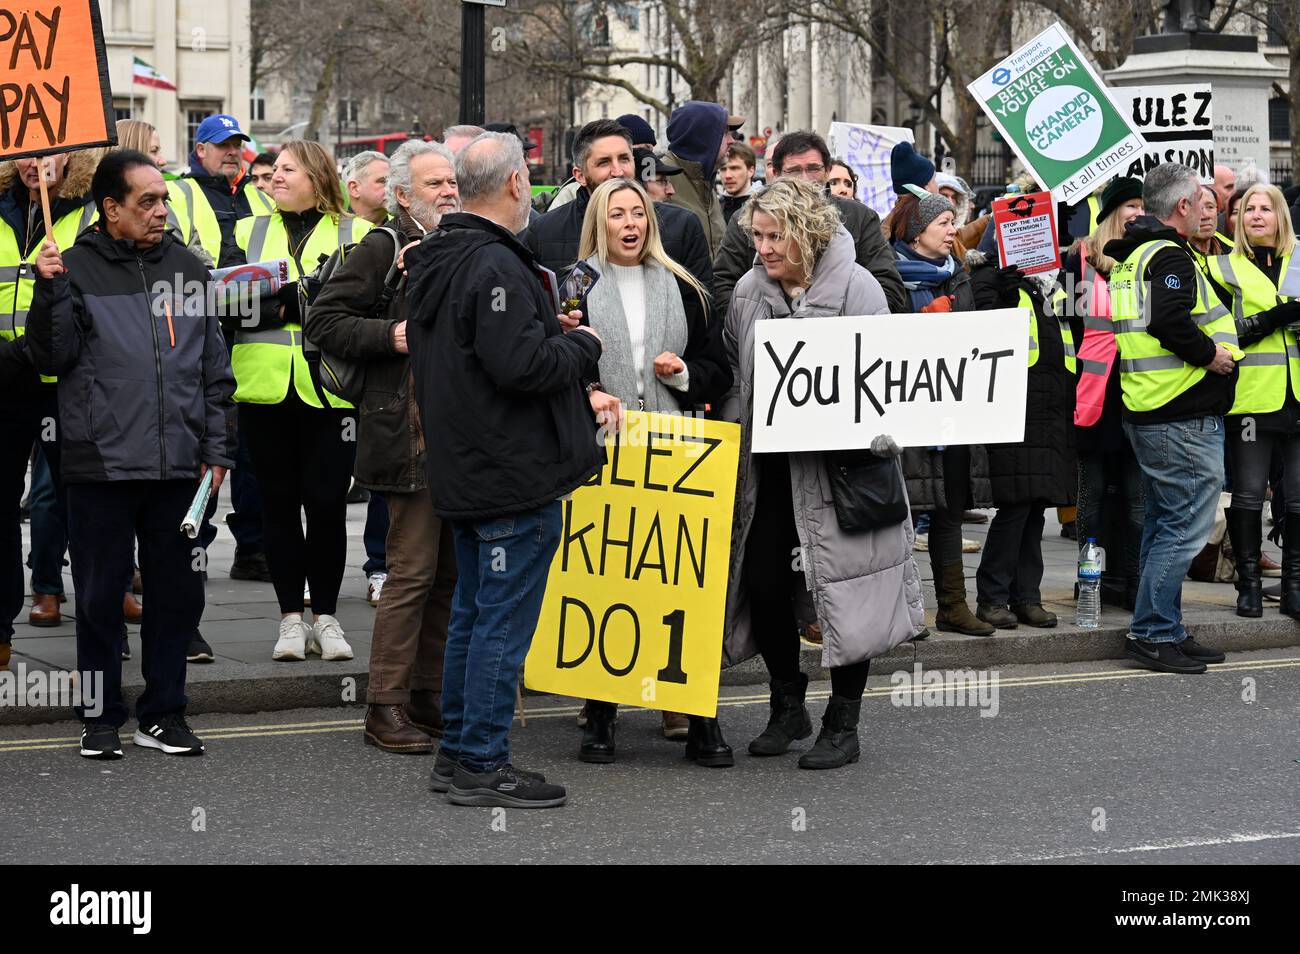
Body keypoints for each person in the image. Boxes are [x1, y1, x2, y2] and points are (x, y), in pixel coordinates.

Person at [405, 131, 603, 808]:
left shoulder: (444, 256)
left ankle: (460, 754)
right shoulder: (493, 265)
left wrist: (544, 327)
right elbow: (521, 368)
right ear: (518, 183)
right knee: (499, 623)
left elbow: (484, 356)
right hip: (509, 474)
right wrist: (579, 346)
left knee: (472, 615)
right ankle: (483, 763)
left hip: (469, 470)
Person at [25, 149, 235, 758]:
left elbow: (213, 370)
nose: (161, 211)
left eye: (163, 199)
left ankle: (164, 714)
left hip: (181, 465)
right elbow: (51, 359)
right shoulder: (74, 266)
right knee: (96, 597)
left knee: (177, 596)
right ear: (110, 208)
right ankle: (99, 717)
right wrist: (50, 290)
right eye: (147, 202)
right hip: (101, 462)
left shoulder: (189, 269)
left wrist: (218, 449)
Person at [721, 177, 924, 770]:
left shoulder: (858, 287)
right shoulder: (748, 291)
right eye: (757, 235)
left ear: (806, 233)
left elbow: (884, 379)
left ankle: (844, 719)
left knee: (846, 587)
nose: (763, 247)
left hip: (844, 472)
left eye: (774, 235)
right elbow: (741, 374)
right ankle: (788, 704)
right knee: (761, 585)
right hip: (771, 473)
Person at [571, 177, 734, 764]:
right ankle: (601, 715)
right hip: (603, 452)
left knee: (683, 586)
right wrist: (588, 390)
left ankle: (700, 718)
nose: (630, 223)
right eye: (617, 214)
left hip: (676, 452)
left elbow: (719, 370)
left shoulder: (684, 286)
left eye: (638, 212)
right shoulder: (575, 285)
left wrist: (685, 373)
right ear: (600, 222)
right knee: (608, 582)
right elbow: (552, 365)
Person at [307, 140, 461, 753]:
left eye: (451, 181)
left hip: (453, 438)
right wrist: (391, 334)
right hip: (405, 436)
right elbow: (324, 319)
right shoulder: (381, 246)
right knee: (411, 575)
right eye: (433, 185)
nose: (448, 191)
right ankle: (385, 706)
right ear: (401, 196)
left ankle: (426, 695)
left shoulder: (453, 243)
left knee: (446, 576)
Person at [224, 140, 372, 662]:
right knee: (278, 508)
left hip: (330, 392)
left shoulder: (358, 233)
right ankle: (290, 619)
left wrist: (286, 301)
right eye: (274, 171)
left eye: (287, 170)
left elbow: (358, 311)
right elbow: (227, 305)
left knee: (328, 506)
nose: (273, 178)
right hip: (263, 388)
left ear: (317, 176)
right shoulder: (248, 229)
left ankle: (327, 618)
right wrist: (297, 301)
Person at [1106, 162, 1236, 674]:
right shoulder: (1166, 256)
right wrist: (1213, 357)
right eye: (1198, 200)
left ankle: (1166, 627)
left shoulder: (1134, 255)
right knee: (1184, 527)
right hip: (1178, 412)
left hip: (1152, 408)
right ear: (1182, 207)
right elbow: (1169, 320)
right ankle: (1154, 633)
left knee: (1166, 525)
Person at [887, 191, 995, 636]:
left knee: (949, 508)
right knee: (901, 518)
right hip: (908, 416)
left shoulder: (959, 277)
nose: (954, 230)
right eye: (945, 222)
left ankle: (953, 604)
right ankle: (900, 612)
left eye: (954, 222)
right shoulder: (888, 279)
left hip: (950, 416)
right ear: (916, 234)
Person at [1, 151, 97, 641]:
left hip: (71, 383)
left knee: (83, 505)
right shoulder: (2, 206)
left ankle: (100, 627)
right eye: (23, 154)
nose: (32, 163)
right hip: (6, 381)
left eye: (46, 152)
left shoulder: (91, 210)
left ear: (72, 153)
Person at [969, 215, 1079, 631]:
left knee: (1034, 509)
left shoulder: (1046, 287)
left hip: (1048, 412)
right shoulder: (989, 280)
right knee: (1016, 507)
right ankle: (992, 597)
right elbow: (984, 326)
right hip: (1016, 410)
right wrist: (1002, 280)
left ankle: (1026, 596)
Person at [1205, 183, 1300, 618]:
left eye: (1266, 208)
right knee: (1246, 494)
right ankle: (1249, 585)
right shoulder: (1221, 267)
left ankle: (1295, 584)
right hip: (1250, 400)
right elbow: (1222, 332)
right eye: (1247, 210)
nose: (1256, 216)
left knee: (1297, 497)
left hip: (1297, 397)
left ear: (1281, 217)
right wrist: (1276, 317)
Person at [713, 130, 905, 317]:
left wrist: (842, 323)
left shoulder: (858, 216)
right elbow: (723, 285)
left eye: (813, 168)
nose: (805, 178)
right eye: (794, 170)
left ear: (828, 170)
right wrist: (755, 324)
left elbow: (888, 287)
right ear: (777, 173)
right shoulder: (747, 218)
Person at [1068, 177, 1147, 611]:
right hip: (1093, 392)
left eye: (1142, 206)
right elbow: (1068, 323)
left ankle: (1134, 583)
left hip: (1139, 389)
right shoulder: (1079, 259)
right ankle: (1090, 583)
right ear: (1112, 211)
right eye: (1130, 205)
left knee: (1137, 500)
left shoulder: (1146, 256)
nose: (1137, 212)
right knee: (1092, 497)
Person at [523, 119, 713, 289]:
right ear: (580, 176)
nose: (618, 171)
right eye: (604, 162)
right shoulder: (544, 232)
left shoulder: (682, 226)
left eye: (624, 159)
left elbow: (701, 314)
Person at [663, 101, 738, 256]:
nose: (732, 141)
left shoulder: (705, 176)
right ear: (702, 137)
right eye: (724, 133)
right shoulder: (661, 178)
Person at [178, 114, 255, 263]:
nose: (232, 152)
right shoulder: (179, 194)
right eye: (223, 145)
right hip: (202, 284)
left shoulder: (260, 196)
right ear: (201, 150)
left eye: (237, 145)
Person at [344, 151, 391, 225]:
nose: (392, 186)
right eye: (382, 181)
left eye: (393, 181)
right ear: (354, 188)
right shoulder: (334, 229)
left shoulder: (404, 225)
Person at [1189, 183, 1228, 272]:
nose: (1205, 215)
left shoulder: (1233, 251)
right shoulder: (1173, 256)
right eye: (1196, 208)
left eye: (1210, 207)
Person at [719, 141, 758, 224]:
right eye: (723, 169)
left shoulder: (763, 206)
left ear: (751, 171)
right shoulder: (714, 207)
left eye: (734, 168)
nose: (727, 175)